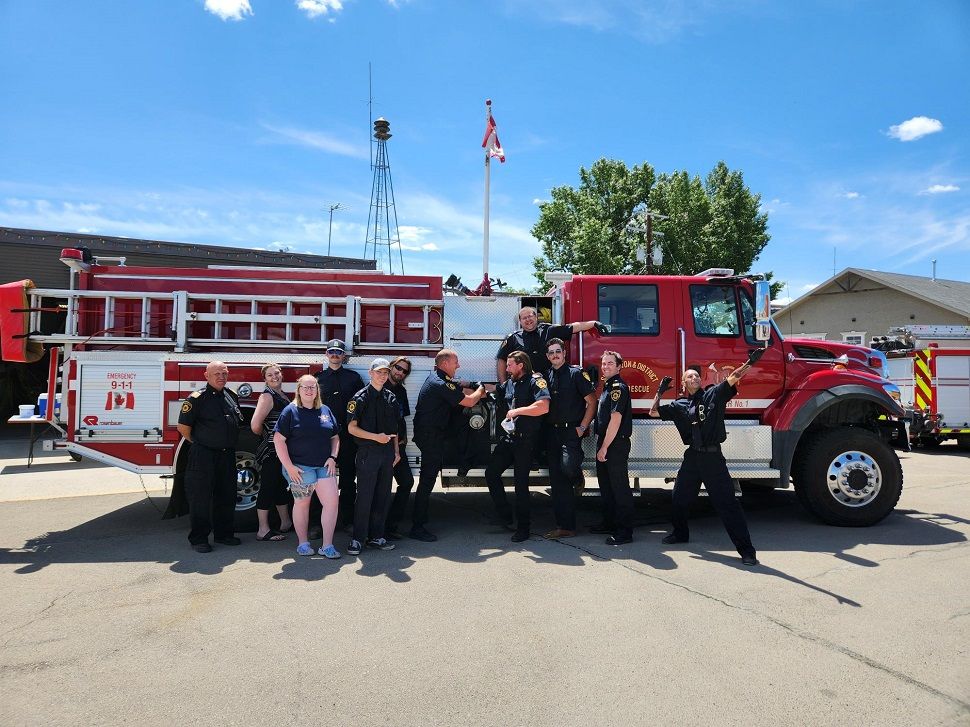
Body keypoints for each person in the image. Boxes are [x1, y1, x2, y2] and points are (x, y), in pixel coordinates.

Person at [649, 349, 765, 566]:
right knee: (679, 498)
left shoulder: (713, 394)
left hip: (713, 459)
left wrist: (749, 362)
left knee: (728, 505)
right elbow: (653, 412)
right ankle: (680, 533)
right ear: (683, 384)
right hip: (692, 457)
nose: (693, 377)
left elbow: (734, 377)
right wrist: (660, 392)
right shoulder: (678, 406)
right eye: (689, 376)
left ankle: (747, 551)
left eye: (695, 375)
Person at [410, 348, 487, 542]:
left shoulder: (439, 379)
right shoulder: (439, 383)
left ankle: (421, 517)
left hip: (431, 434)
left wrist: (471, 385)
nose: (458, 365)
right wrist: (480, 388)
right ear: (444, 364)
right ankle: (417, 526)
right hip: (431, 438)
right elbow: (469, 401)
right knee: (427, 480)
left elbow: (457, 388)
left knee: (462, 425)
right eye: (455, 362)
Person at [176, 361, 244, 553]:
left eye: (224, 373)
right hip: (203, 454)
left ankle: (224, 534)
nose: (221, 377)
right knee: (200, 497)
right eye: (217, 374)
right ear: (206, 376)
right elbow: (183, 428)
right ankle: (199, 539)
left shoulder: (231, 396)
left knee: (226, 495)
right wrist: (203, 443)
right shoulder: (197, 398)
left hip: (227, 454)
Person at [485, 350, 550, 542]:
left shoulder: (536, 382)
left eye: (510, 365)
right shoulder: (511, 383)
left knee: (520, 485)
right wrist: (469, 386)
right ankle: (505, 515)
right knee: (491, 473)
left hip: (526, 441)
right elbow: (495, 389)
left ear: (521, 365)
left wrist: (516, 411)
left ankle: (524, 528)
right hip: (509, 439)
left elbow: (544, 406)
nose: (507, 368)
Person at [274, 375, 342, 558]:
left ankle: (327, 546)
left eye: (313, 387)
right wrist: (289, 467)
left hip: (324, 466)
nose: (310, 390)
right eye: (306, 387)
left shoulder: (325, 410)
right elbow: (278, 440)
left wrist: (333, 457)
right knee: (302, 504)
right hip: (301, 468)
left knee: (332, 503)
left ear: (317, 390)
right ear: (299, 389)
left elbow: (335, 437)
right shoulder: (290, 411)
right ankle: (303, 544)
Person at [542, 338, 596, 539]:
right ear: (547, 357)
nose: (555, 355)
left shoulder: (576, 374)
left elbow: (592, 402)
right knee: (557, 482)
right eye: (551, 353)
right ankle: (565, 527)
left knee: (567, 468)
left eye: (558, 351)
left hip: (570, 432)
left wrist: (582, 427)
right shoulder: (545, 376)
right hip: (551, 432)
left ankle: (577, 476)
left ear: (564, 353)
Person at [345, 358, 400, 555]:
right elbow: (351, 428)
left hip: (386, 454)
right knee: (365, 497)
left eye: (385, 372)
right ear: (370, 373)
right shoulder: (359, 398)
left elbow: (395, 429)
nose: (382, 376)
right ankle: (358, 540)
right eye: (379, 372)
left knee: (383, 496)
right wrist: (375, 437)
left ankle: (377, 537)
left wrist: (396, 451)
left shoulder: (391, 398)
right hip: (368, 452)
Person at [314, 339, 365, 531]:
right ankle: (318, 524)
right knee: (321, 480)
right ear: (326, 354)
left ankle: (348, 521)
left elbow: (362, 406)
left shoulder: (353, 378)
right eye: (331, 351)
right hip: (323, 439)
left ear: (344, 355)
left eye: (338, 352)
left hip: (348, 438)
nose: (335, 354)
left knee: (348, 481)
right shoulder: (318, 378)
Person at [495, 306, 608, 382]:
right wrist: (504, 383)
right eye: (524, 318)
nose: (528, 320)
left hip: (549, 383)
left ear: (536, 317)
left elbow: (573, 327)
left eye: (530, 316)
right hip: (524, 384)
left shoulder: (548, 330)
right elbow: (501, 359)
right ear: (520, 321)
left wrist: (593, 323)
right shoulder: (513, 338)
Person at [591, 350, 635, 546]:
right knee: (607, 487)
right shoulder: (607, 386)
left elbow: (615, 420)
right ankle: (609, 523)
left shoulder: (617, 387)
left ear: (619, 367)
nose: (606, 366)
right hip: (607, 442)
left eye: (610, 363)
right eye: (604, 363)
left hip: (615, 444)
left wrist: (604, 447)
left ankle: (624, 532)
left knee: (619, 489)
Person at [250, 363, 294, 541]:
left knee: (280, 486)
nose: (274, 377)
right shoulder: (267, 396)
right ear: (265, 379)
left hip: (282, 449)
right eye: (270, 375)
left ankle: (285, 523)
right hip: (271, 450)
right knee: (268, 487)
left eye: (276, 373)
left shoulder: (281, 395)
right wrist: (269, 436)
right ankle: (263, 529)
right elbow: (255, 425)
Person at [384, 355, 414, 540]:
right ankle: (379, 528)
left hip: (399, 446)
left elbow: (402, 418)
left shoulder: (401, 391)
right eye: (398, 368)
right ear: (391, 367)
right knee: (383, 488)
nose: (400, 372)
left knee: (407, 482)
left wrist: (404, 438)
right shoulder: (380, 389)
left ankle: (392, 524)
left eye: (404, 371)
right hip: (383, 447)